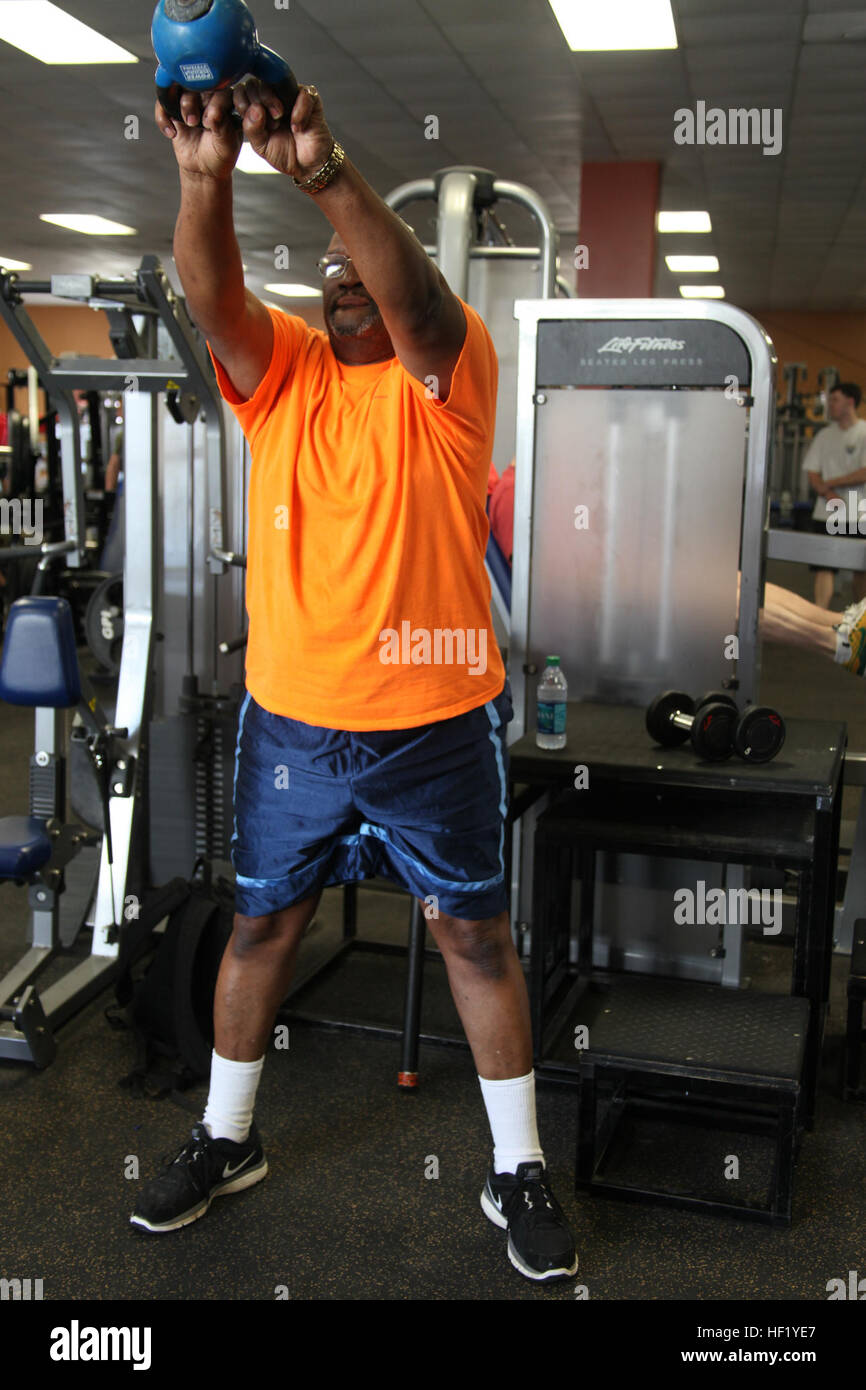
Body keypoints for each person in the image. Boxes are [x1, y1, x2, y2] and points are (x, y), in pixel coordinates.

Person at [131, 79, 577, 1284]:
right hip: (293, 726)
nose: (339, 283)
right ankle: (227, 1137)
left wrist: (322, 172)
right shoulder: (279, 379)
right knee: (265, 922)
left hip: (433, 727)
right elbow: (212, 294)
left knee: (472, 939)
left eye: (357, 275)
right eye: (325, 275)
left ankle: (513, 1165)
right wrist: (205, 174)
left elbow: (421, 302)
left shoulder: (446, 386)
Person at [487, 465, 866, 675]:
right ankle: (835, 642)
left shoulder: (548, 477)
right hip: (583, 620)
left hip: (611, 593)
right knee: (708, 591)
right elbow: (541, 585)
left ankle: (840, 625)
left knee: (713, 576)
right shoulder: (513, 491)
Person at [803, 381, 866, 608]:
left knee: (861, 570)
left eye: (835, 400)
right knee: (824, 566)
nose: (830, 405)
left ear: (850, 402)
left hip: (858, 513)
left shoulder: (864, 432)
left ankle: (862, 622)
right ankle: (819, 617)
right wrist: (826, 491)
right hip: (826, 513)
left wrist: (829, 483)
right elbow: (812, 470)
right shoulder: (824, 435)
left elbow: (864, 472)